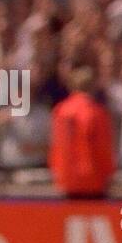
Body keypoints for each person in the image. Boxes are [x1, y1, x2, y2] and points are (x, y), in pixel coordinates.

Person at [50, 67, 115, 198]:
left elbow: (57, 146)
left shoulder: (60, 111)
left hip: (66, 179)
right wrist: (108, 173)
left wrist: (57, 173)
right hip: (94, 179)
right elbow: (103, 148)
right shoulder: (97, 113)